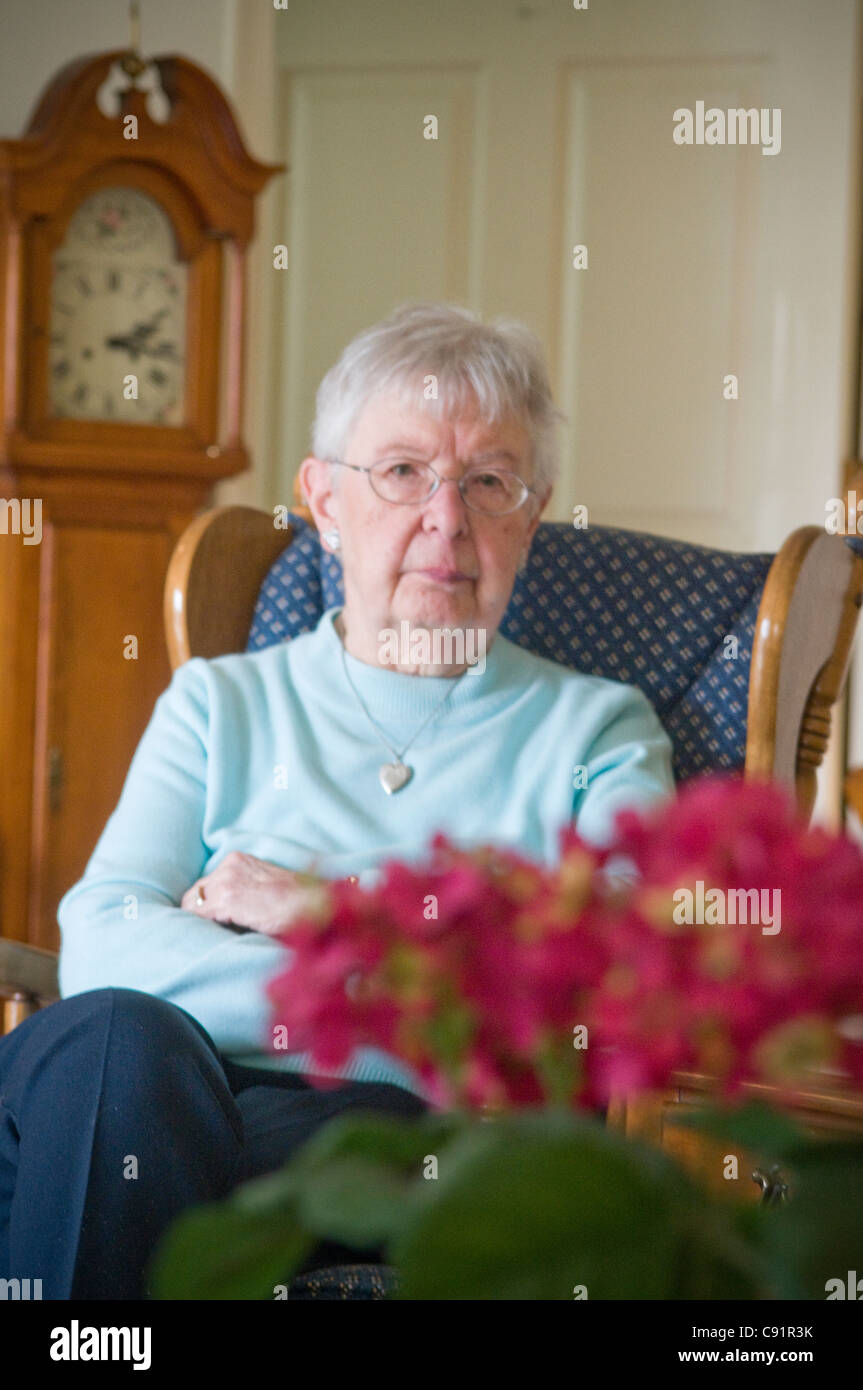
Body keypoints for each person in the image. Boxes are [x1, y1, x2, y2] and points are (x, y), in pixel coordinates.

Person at [0, 302, 675, 1299]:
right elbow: (100, 935)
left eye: (487, 480)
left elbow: (602, 985)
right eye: (401, 471)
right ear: (323, 500)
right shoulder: (219, 701)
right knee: (111, 1043)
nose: (444, 520)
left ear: (529, 516)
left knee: (97, 1130)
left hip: (381, 1136)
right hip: (144, 1080)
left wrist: (321, 914)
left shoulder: (597, 732)